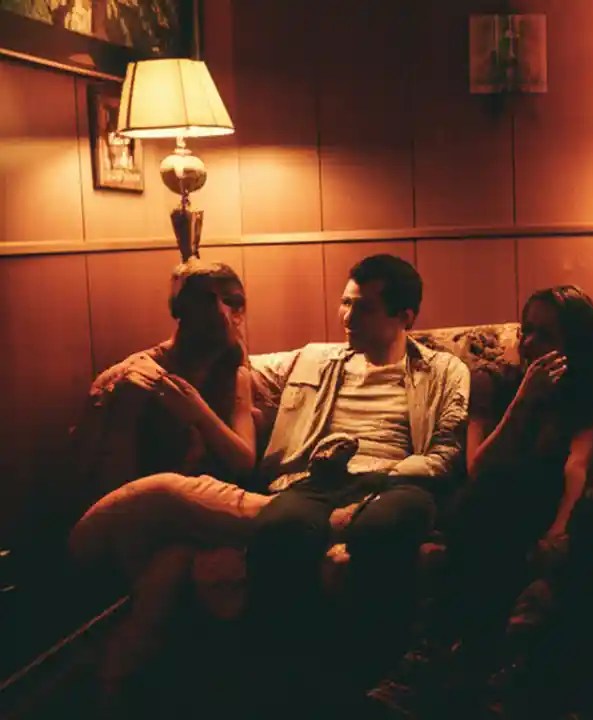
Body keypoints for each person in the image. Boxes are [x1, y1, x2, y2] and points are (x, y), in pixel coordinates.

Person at [244, 254, 469, 673]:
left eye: (362, 307)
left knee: (384, 529)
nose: (347, 317)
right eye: (345, 302)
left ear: (405, 317)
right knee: (277, 530)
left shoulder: (443, 370)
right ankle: (281, 671)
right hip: (320, 476)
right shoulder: (315, 358)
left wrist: (381, 473)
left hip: (398, 479)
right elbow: (240, 366)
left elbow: (446, 456)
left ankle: (371, 671)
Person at [67, 259, 258, 707]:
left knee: (179, 562)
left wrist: (198, 414)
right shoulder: (136, 380)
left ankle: (117, 677)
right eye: (207, 301)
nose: (223, 314)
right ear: (180, 311)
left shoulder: (235, 374)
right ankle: (310, 520)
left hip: (193, 531)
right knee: (169, 491)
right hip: (122, 524)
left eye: (234, 302)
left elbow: (243, 461)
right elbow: (117, 494)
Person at [443, 285, 593, 682]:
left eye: (546, 335)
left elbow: (578, 461)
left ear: (573, 346)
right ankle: (472, 658)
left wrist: (559, 529)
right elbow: (478, 465)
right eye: (527, 330)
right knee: (487, 494)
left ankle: (565, 678)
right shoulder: (491, 381)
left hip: (550, 496)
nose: (529, 343)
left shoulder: (585, 387)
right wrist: (524, 400)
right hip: (496, 497)